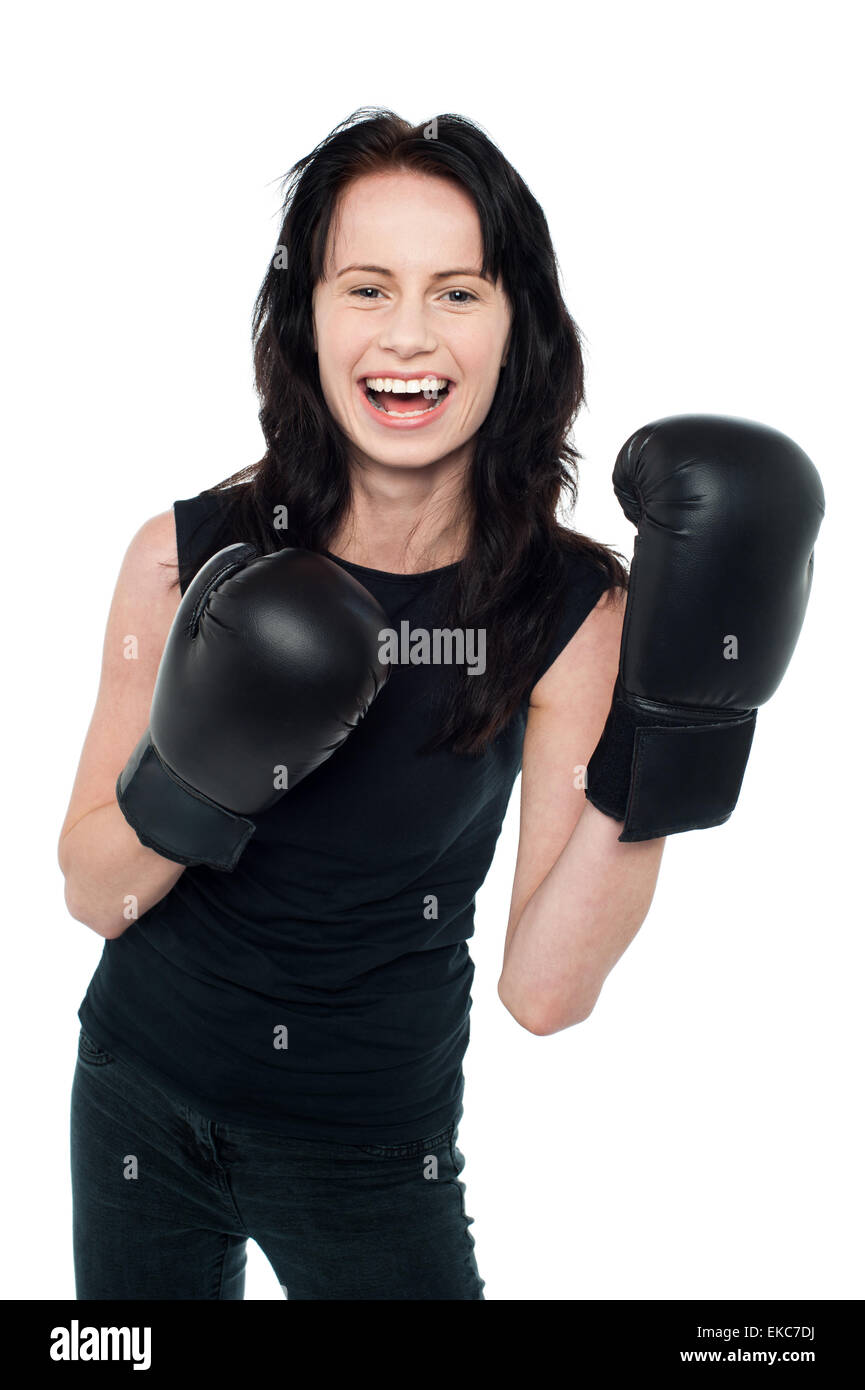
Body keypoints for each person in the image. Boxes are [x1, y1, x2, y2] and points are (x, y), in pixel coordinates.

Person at [58, 109, 823, 1301]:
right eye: (365, 287)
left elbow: (545, 995)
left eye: (457, 292)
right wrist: (206, 770)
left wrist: (683, 729)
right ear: (305, 316)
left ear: (517, 326)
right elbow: (91, 892)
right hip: (134, 1096)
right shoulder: (187, 556)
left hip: (369, 1153)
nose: (406, 334)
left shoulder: (569, 611)